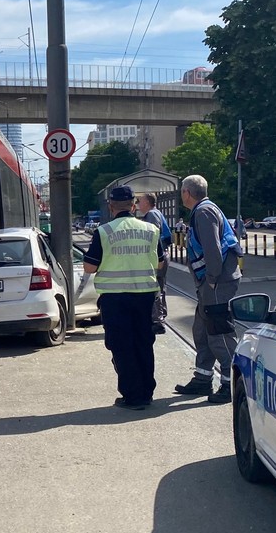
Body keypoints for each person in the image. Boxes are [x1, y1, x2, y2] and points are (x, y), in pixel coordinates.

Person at [84, 185, 163, 410]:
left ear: (111, 206)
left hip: (115, 298)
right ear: (133, 205)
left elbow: (89, 267)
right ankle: (146, 392)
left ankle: (132, 395)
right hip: (144, 296)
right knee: (144, 343)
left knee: (122, 346)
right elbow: (160, 262)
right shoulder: (150, 229)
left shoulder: (104, 232)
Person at [175, 174, 241, 404]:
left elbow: (212, 249)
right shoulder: (205, 210)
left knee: (219, 333)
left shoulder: (203, 212)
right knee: (202, 331)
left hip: (216, 282)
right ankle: (203, 378)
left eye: (182, 190)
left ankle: (229, 384)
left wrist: (211, 279)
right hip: (213, 283)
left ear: (187, 193)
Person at [136, 192, 172, 335]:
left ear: (147, 203)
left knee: (154, 287)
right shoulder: (156, 213)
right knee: (160, 286)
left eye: (141, 201)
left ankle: (158, 321)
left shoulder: (151, 215)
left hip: (157, 256)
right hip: (162, 254)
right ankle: (161, 317)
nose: (138, 203)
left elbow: (152, 236)